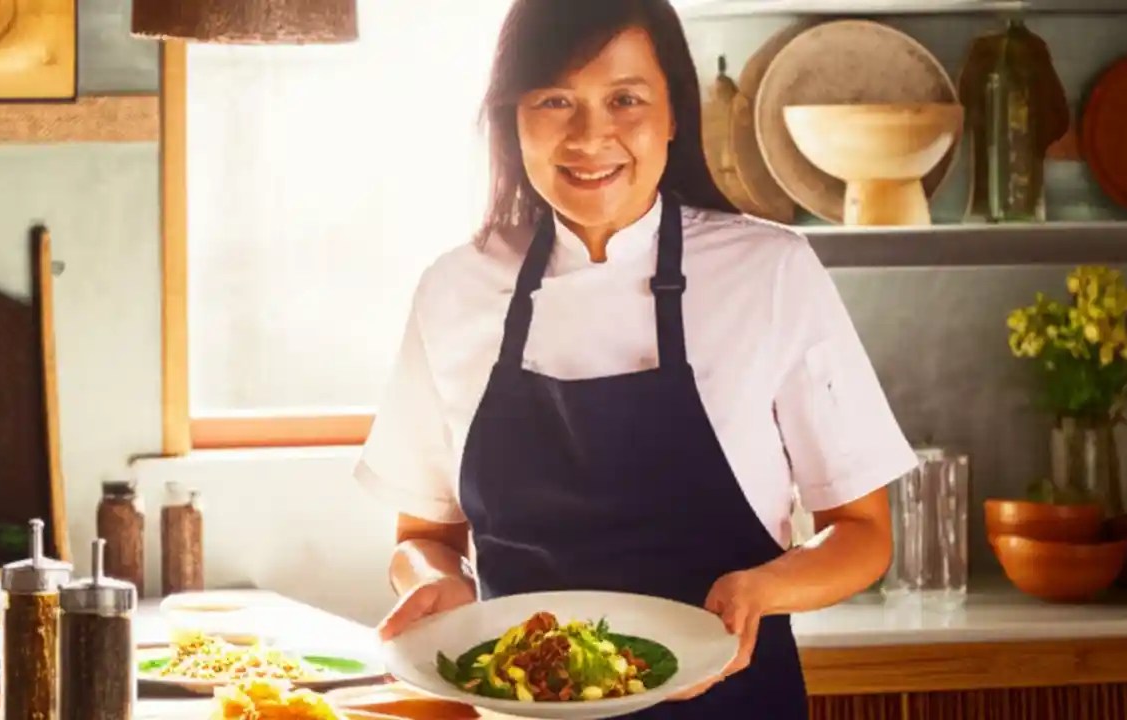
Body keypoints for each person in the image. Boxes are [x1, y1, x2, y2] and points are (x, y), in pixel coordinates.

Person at [355, 0, 918, 716]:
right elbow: (423, 537)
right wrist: (434, 581)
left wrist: (765, 588)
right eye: (554, 100)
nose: (591, 136)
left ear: (674, 113)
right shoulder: (455, 289)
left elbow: (863, 535)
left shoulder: (770, 271)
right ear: (512, 118)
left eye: (625, 100)